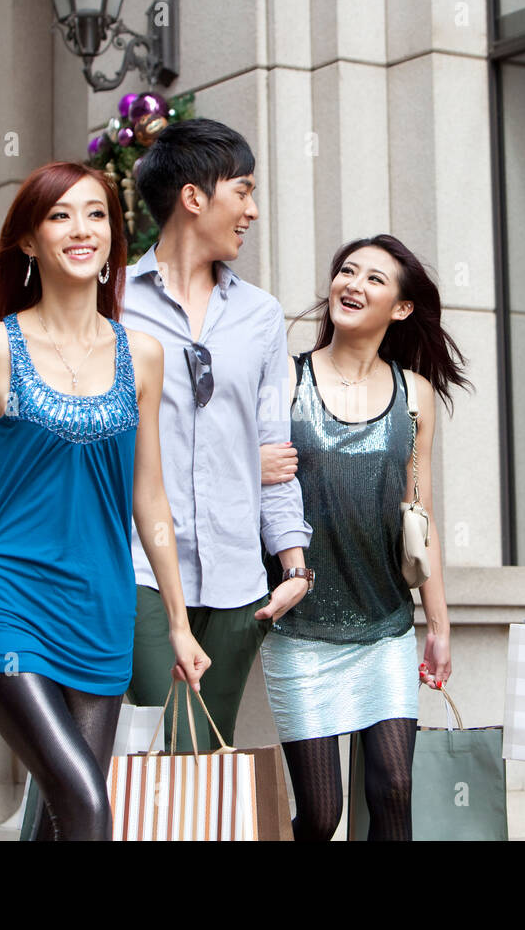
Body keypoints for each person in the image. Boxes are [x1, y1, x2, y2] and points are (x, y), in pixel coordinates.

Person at [0, 161, 209, 841]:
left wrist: (178, 621)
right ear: (29, 240)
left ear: (115, 237)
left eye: (96, 214)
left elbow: (149, 493)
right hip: (7, 600)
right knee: (87, 806)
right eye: (60, 215)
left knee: (64, 816)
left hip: (102, 606)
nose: (82, 229)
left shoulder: (143, 354)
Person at [258, 235, 466, 841]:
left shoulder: (415, 394)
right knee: (321, 816)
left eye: (375, 279)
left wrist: (440, 626)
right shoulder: (286, 381)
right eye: (347, 272)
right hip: (302, 630)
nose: (354, 284)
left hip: (385, 627)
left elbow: (419, 515)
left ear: (400, 308)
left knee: (393, 792)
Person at [119, 119, 313, 749]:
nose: (252, 211)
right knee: (151, 745)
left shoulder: (259, 314)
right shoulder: (113, 302)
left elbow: (273, 446)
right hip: (139, 569)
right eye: (244, 190)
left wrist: (293, 563)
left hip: (237, 579)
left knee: (203, 754)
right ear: (193, 197)